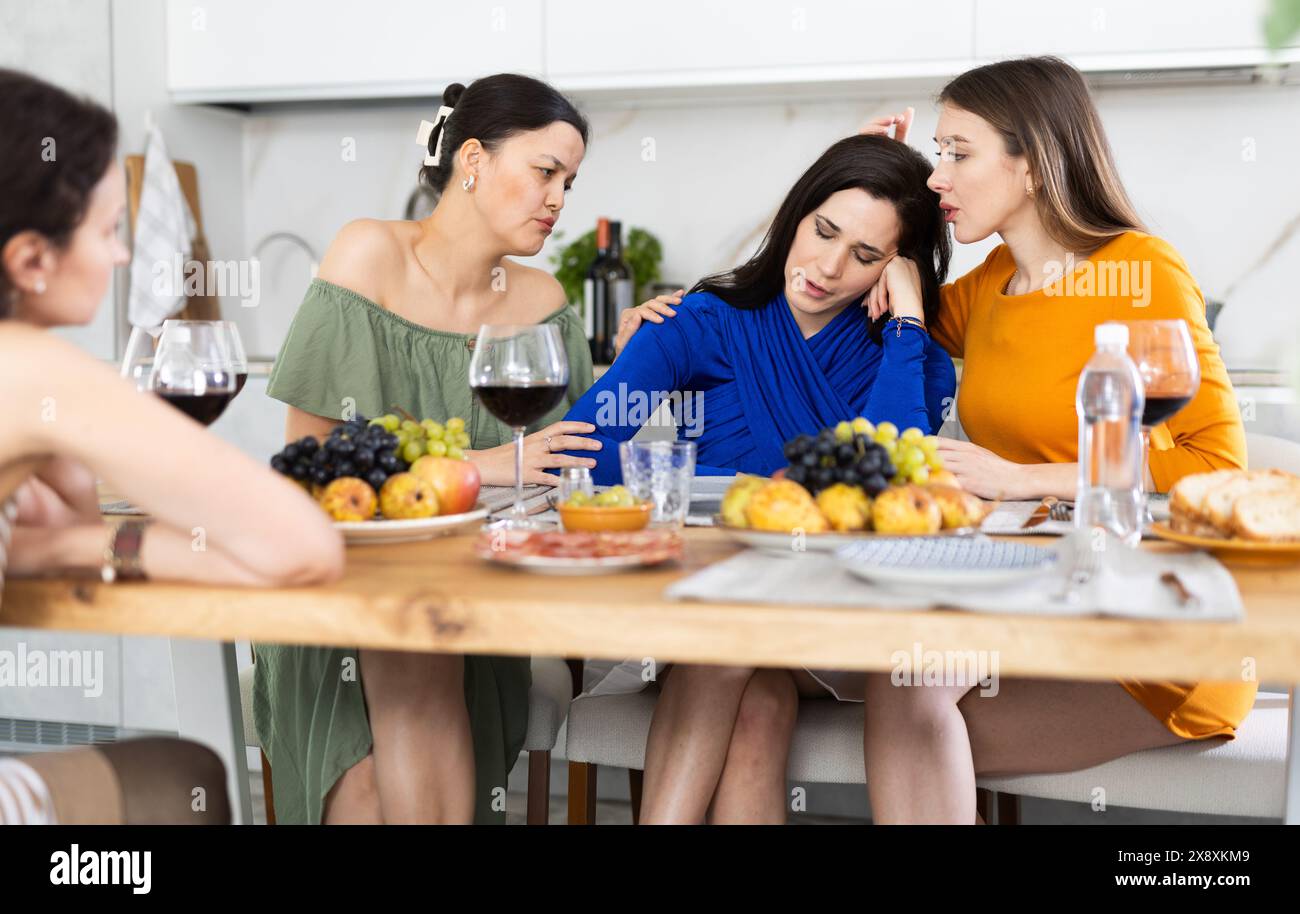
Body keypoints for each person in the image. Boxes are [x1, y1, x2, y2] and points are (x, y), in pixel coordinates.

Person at [562, 134, 954, 823]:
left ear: (901, 268)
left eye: (865, 256)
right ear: (796, 213)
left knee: (727, 652)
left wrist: (909, 319)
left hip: (845, 626)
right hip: (718, 607)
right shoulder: (701, 319)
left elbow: (894, 488)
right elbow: (584, 452)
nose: (828, 267)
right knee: (755, 698)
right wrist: (684, 483)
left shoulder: (911, 357)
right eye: (823, 231)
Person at [0, 68, 342, 823]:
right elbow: (305, 546)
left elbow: (77, 502)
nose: (123, 258)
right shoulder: (29, 367)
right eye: (107, 232)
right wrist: (63, 549)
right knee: (184, 781)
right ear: (30, 260)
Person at [256, 74, 597, 823]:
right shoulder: (367, 254)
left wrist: (646, 347)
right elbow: (308, 468)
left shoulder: (542, 303)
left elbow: (576, 472)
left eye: (569, 182)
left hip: (477, 610)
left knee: (418, 668)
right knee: (399, 662)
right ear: (472, 159)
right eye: (545, 172)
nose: (559, 201)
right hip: (341, 599)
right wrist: (480, 467)